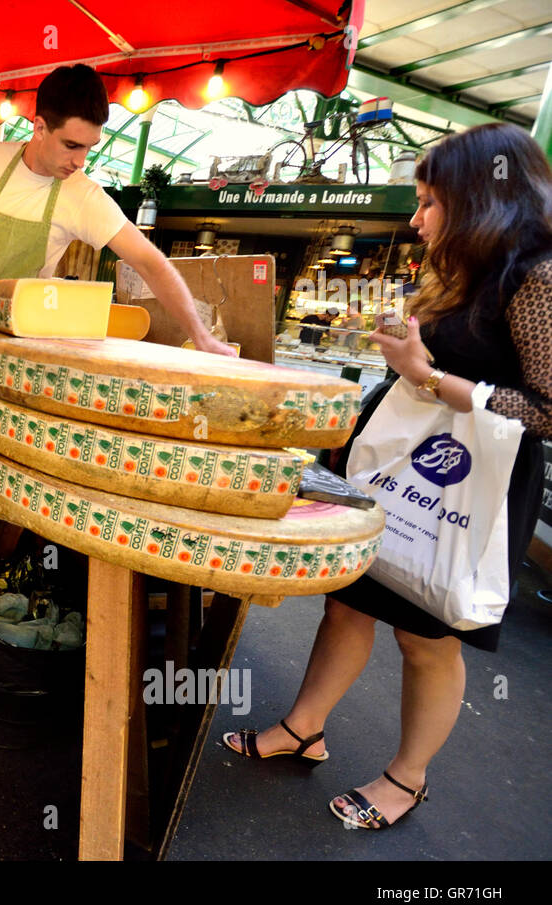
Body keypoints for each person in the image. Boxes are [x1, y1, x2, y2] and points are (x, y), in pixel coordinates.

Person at [223, 123, 552, 830]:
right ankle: (304, 728)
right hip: (405, 465)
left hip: (469, 484)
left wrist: (430, 376)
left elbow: (547, 409)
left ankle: (408, 777)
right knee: (348, 601)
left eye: (430, 201)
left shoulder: (537, 275)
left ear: (477, 198)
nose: (417, 217)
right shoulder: (466, 267)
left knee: (426, 634)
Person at [0, 63, 238, 561]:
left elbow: (149, 261)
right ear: (38, 126)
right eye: (71, 145)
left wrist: (202, 333)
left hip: (9, 350)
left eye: (89, 148)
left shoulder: (82, 195)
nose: (80, 161)